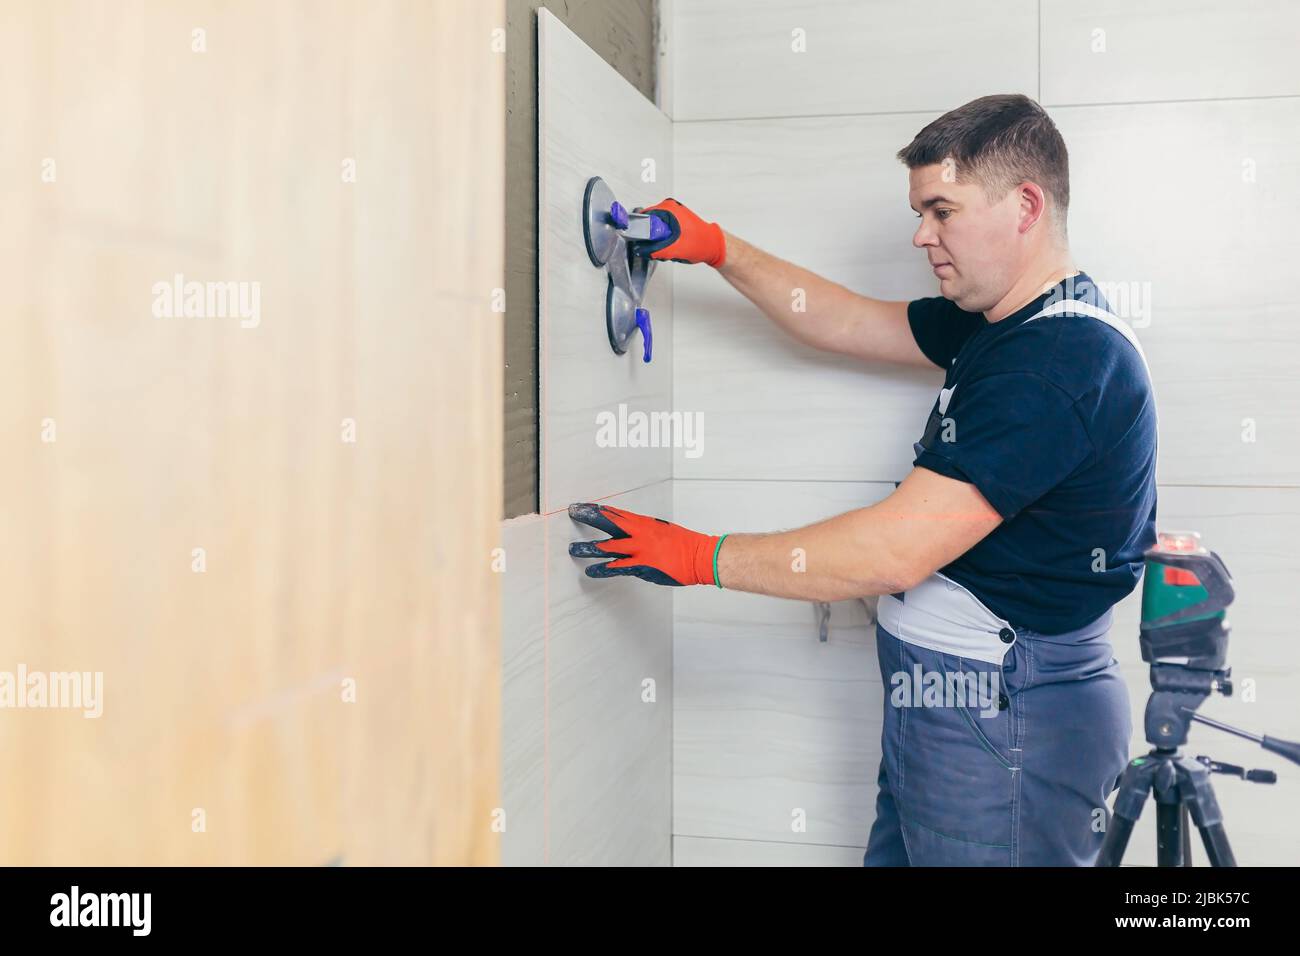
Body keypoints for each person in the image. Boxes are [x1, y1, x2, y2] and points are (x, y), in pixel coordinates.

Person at [568, 93, 1156, 866]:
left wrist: (698, 557)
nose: (922, 236)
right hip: (959, 706)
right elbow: (839, 319)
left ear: (1025, 206)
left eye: (941, 211)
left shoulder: (1058, 362)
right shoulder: (1005, 320)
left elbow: (894, 552)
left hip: (1005, 720)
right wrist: (717, 248)